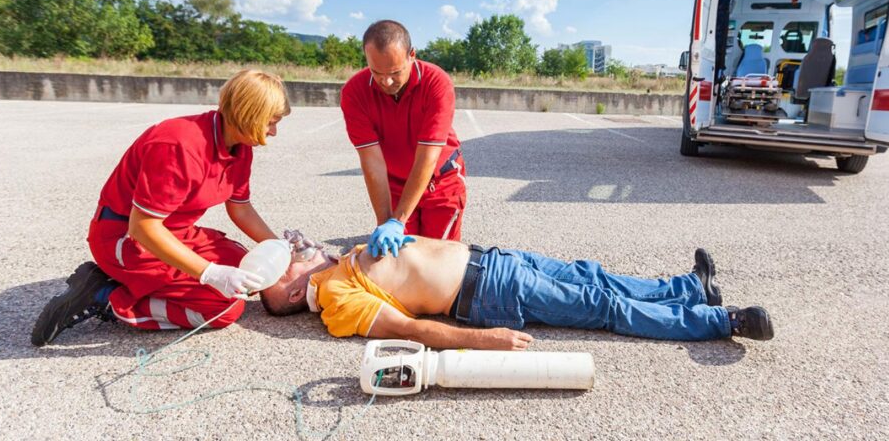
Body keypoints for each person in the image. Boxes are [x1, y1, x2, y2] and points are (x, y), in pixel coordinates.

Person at [31, 69, 291, 347]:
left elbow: (241, 208)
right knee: (223, 308)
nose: (273, 132)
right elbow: (142, 226)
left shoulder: (239, 146)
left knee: (246, 271)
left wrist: (280, 246)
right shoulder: (179, 144)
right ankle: (106, 296)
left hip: (173, 231)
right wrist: (210, 273)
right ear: (247, 114)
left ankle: (135, 284)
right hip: (126, 239)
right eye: (270, 122)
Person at [260, 236, 774, 350]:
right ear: (288, 294)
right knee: (602, 307)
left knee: (593, 276)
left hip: (494, 261)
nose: (288, 253)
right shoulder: (336, 301)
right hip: (486, 293)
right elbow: (411, 330)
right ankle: (722, 322)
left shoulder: (335, 264)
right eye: (281, 266)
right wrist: (485, 342)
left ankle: (689, 288)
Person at [340, 20, 466, 258]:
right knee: (399, 259)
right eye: (377, 72)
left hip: (440, 181)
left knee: (438, 259)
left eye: (395, 73)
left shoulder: (436, 82)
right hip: (394, 184)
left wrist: (398, 220)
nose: (386, 82)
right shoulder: (354, 92)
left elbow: (427, 158)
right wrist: (385, 222)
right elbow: (372, 163)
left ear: (412, 55)